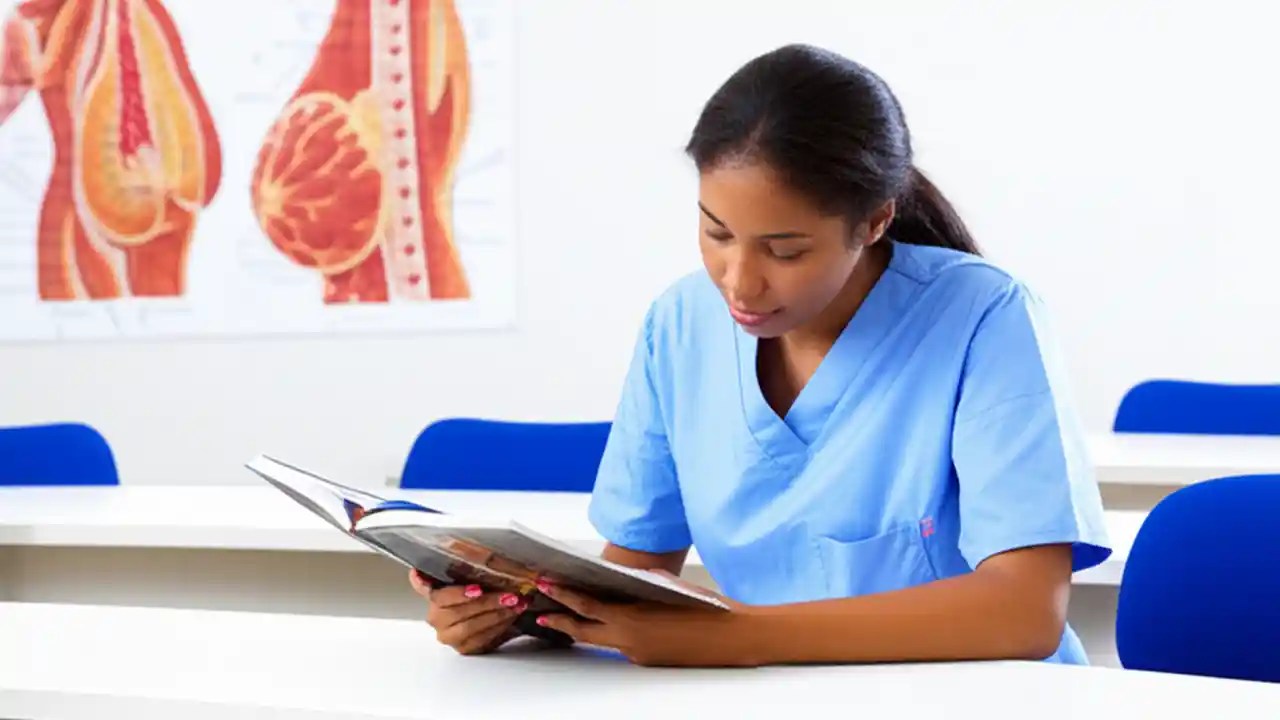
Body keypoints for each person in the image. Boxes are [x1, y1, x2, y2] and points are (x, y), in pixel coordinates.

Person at [410, 43, 1111, 667]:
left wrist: (737, 636)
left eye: (786, 250)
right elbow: (636, 570)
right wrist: (520, 611)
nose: (739, 283)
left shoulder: (983, 316)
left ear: (874, 222)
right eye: (716, 233)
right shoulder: (680, 325)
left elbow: (1023, 614)